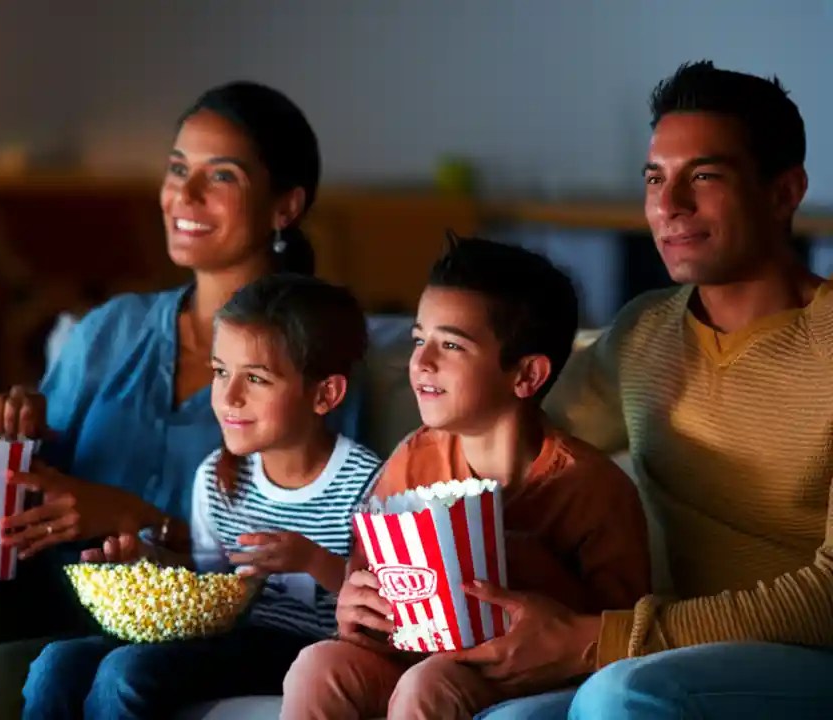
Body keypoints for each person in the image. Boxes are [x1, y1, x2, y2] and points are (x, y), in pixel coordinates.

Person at [0, 81, 366, 720]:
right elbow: (32, 489)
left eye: (221, 176)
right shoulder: (111, 329)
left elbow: (298, 550)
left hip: (160, 630)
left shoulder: (313, 361)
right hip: (35, 589)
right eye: (177, 168)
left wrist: (132, 516)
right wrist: (20, 438)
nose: (184, 194)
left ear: (285, 206)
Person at [450, 61, 833, 719]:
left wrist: (596, 639)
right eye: (655, 179)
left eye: (704, 176)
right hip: (677, 656)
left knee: (621, 694)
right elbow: (514, 447)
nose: (669, 205)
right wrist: (375, 563)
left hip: (811, 656)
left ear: (783, 191)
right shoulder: (644, 332)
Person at [279, 236, 650, 719]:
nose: (421, 362)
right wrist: (355, 606)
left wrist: (528, 569)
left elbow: (623, 641)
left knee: (428, 684)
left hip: (515, 675)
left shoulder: (592, 489)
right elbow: (365, 578)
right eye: (419, 340)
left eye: (451, 345)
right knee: (318, 665)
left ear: (527, 376)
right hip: (412, 657)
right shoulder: (413, 460)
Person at [21, 273, 383, 719]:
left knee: (125, 673)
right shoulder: (216, 477)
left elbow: (383, 604)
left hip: (305, 649)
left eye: (256, 378)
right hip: (224, 636)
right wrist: (149, 560)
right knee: (56, 664)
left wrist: (312, 560)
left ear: (325, 393)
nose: (229, 396)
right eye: (220, 372)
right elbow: (212, 581)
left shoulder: (366, 484)